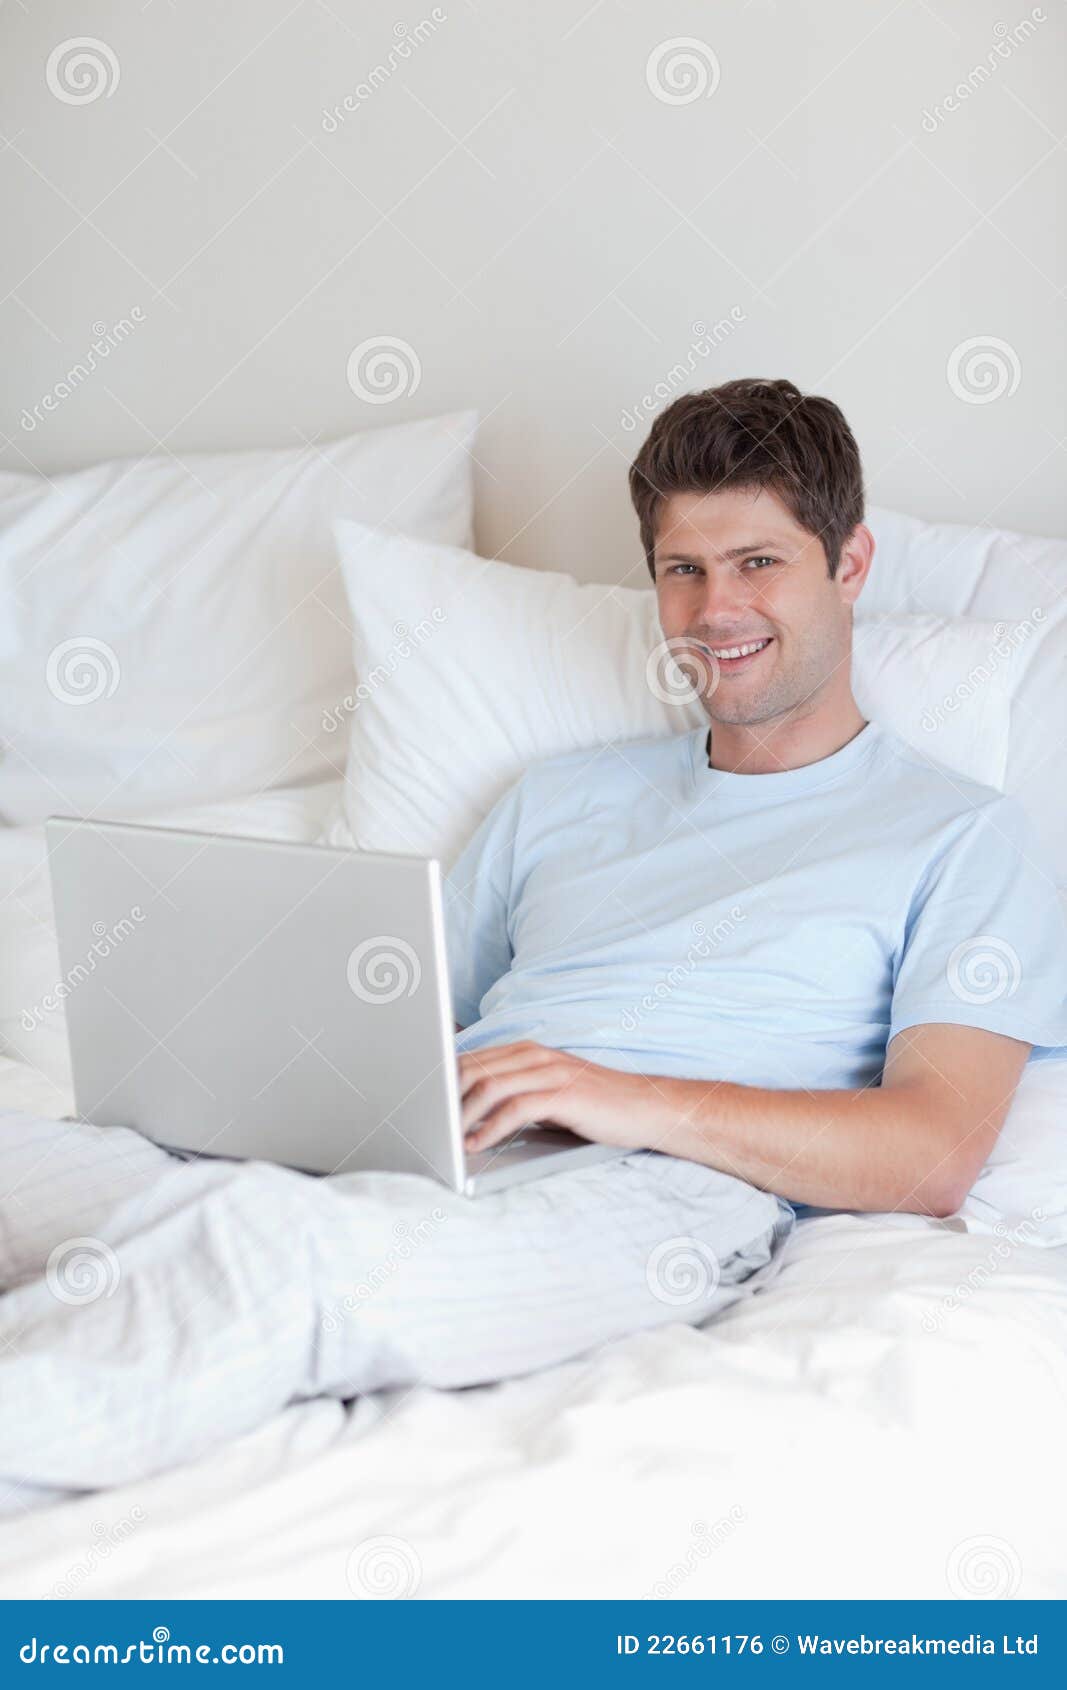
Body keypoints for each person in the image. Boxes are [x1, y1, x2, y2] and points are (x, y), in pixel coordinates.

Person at [1, 378, 1063, 1505]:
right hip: (443, 1138)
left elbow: (932, 1152)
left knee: (261, 1254)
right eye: (681, 569)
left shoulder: (960, 834)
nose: (716, 609)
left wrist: (619, 1094)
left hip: (659, 1189)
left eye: (758, 562)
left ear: (847, 564)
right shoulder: (558, 795)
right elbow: (393, 1021)